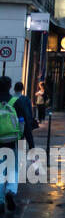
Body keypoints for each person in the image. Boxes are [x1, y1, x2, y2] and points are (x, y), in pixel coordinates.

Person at [0, 76, 19, 211]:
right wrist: (30, 144)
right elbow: (25, 123)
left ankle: (0, 200)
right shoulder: (15, 101)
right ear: (10, 86)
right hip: (11, 141)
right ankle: (10, 191)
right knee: (12, 169)